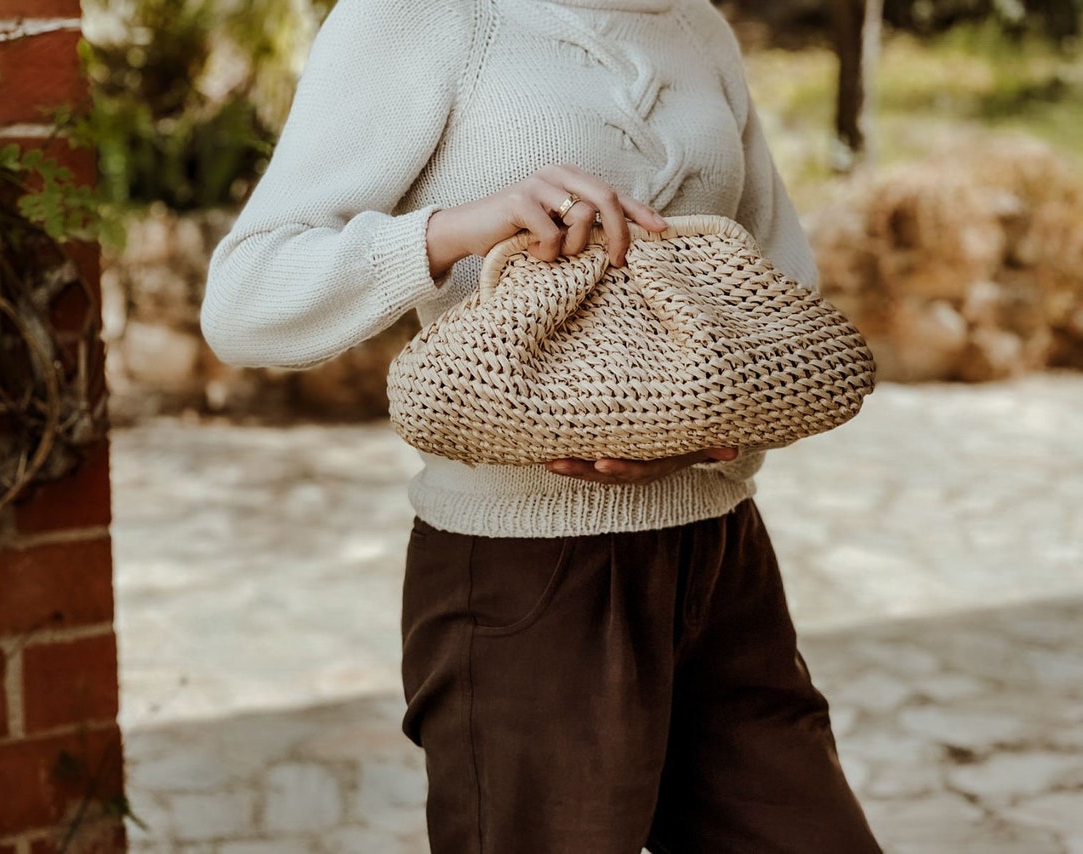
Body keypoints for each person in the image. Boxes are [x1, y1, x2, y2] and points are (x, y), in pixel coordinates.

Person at [201, 0, 883, 851]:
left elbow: (779, 276)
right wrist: (460, 229)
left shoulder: (694, 25)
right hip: (525, 578)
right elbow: (244, 301)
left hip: (719, 555)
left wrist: (717, 435)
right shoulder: (415, 18)